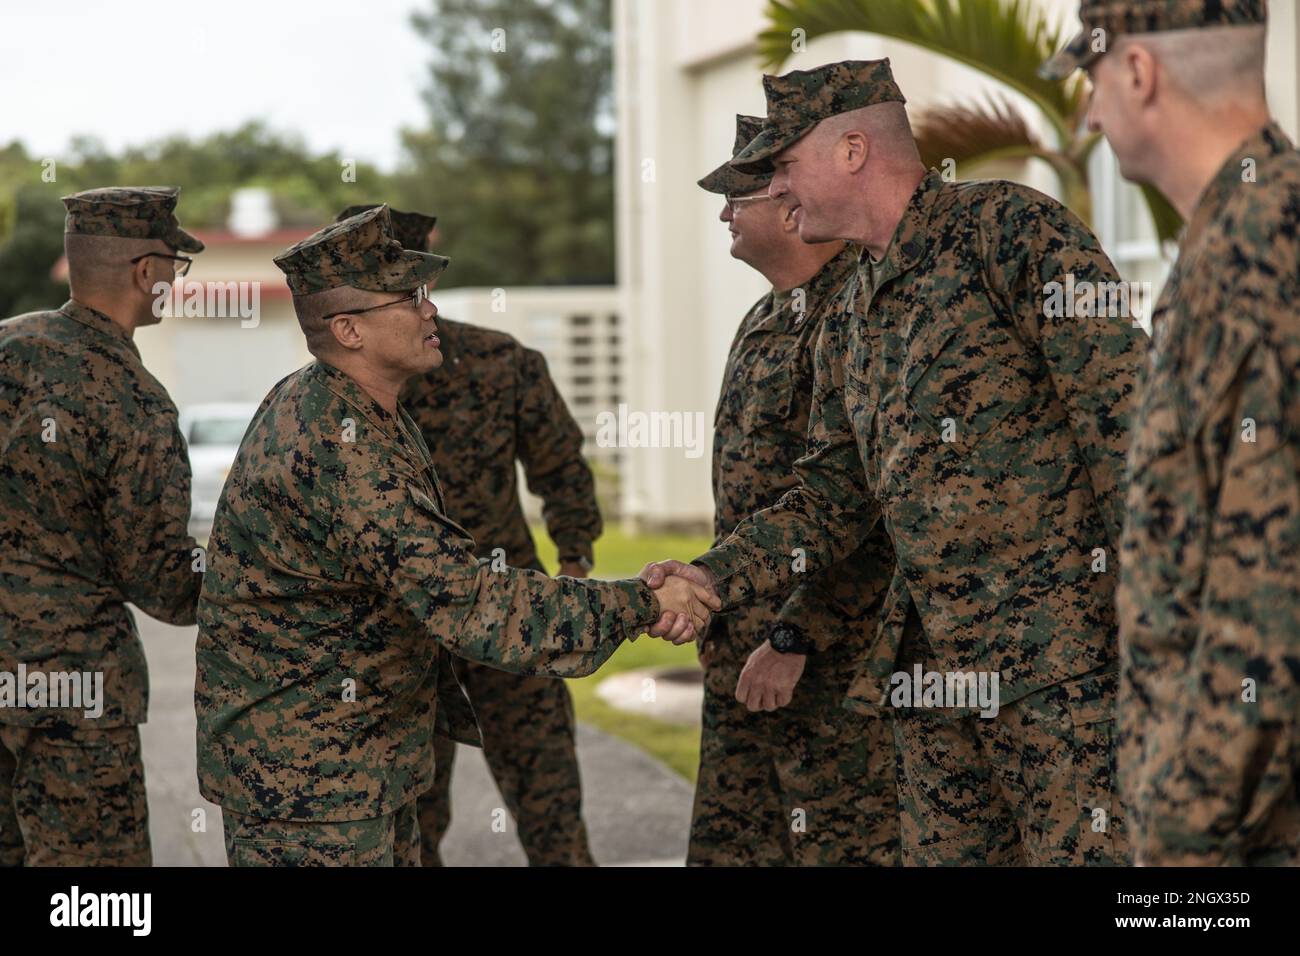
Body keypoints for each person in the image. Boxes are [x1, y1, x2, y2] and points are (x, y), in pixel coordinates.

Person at [645, 58, 1143, 865]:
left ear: (853, 150)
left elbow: (1129, 426)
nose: (775, 187)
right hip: (927, 678)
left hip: (1063, 669)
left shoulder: (1009, 230)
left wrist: (1165, 624)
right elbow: (830, 499)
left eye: (784, 164)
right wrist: (711, 577)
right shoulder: (848, 311)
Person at [195, 205, 716, 866]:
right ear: (349, 329)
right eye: (408, 298)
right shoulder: (338, 444)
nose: (430, 309)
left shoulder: (352, 406)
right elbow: (467, 602)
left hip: (351, 763)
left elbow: (547, 485)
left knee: (544, 800)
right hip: (312, 787)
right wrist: (643, 602)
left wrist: (583, 563)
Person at [1043, 0, 1300, 865]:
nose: (1089, 114)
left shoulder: (1257, 258)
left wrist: (1181, 848)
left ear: (1139, 72)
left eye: (1093, 81)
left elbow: (1267, 614)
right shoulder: (1235, 238)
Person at [684, 115, 898, 865]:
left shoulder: (859, 313)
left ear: (785, 206)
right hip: (741, 651)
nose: (724, 215)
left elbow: (873, 506)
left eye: (736, 198)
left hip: (826, 665)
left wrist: (795, 634)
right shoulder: (766, 316)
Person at [0, 186, 205, 865]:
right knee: (96, 894)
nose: (176, 280)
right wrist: (253, 574)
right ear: (145, 271)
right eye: (175, 265)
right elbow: (162, 579)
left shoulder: (7, 345)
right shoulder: (134, 398)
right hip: (72, 692)